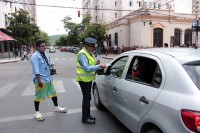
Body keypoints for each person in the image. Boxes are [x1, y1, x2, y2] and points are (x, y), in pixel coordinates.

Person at [30, 39, 67, 121]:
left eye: (45, 45)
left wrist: (51, 64)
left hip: (49, 78)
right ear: (37, 47)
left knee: (53, 93)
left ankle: (56, 107)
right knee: (38, 96)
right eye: (42, 46)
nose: (44, 47)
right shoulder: (34, 56)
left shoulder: (45, 54)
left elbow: (48, 62)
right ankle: (36, 112)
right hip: (41, 80)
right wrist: (39, 81)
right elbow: (36, 70)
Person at [76, 37, 107, 124]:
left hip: (87, 79)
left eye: (94, 47)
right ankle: (85, 118)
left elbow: (90, 63)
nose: (93, 48)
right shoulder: (82, 53)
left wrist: (96, 63)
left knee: (88, 98)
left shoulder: (88, 52)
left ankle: (88, 115)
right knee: (86, 98)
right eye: (92, 47)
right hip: (84, 79)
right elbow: (87, 68)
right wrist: (99, 66)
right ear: (86, 45)